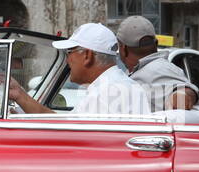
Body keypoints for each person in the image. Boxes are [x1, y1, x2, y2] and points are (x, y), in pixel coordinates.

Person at [8, 23, 151, 116]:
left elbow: (67, 135)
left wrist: (21, 97)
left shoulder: (103, 94)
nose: (67, 60)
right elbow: (65, 126)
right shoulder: (118, 85)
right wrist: (20, 96)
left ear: (88, 56)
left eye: (69, 52)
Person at [114, 16, 199, 111]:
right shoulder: (141, 70)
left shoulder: (156, 70)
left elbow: (183, 91)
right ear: (156, 43)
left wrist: (182, 95)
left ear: (123, 48)